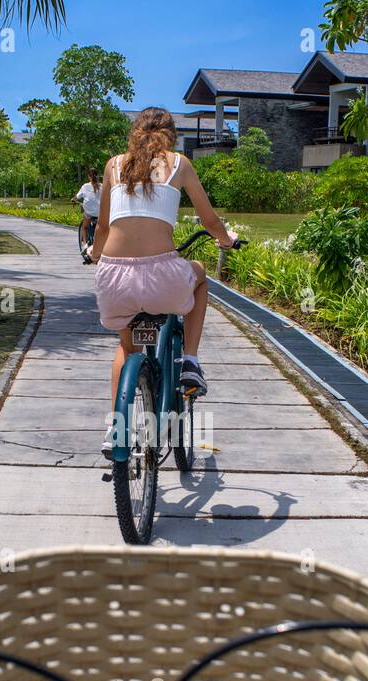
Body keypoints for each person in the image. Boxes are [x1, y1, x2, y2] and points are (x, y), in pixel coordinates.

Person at [88, 107, 236, 456]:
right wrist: (226, 239)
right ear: (171, 134)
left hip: (114, 279)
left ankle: (115, 429)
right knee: (199, 278)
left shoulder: (113, 165)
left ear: (135, 132)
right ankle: (190, 361)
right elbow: (210, 219)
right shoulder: (179, 164)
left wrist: (96, 254)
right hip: (162, 278)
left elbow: (104, 228)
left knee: (126, 349)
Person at [71, 169, 102, 252]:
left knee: (84, 227)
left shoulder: (85, 186)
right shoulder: (102, 186)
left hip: (89, 212)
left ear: (89, 177)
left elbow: (77, 197)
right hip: (100, 213)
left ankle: (85, 244)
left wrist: (73, 200)